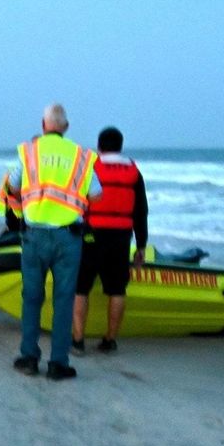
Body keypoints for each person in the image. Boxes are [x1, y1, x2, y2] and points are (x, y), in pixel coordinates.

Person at [8, 103, 101, 381]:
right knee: (63, 300)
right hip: (68, 236)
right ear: (66, 127)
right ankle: (58, 363)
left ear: (43, 124)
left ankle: (28, 357)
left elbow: (13, 184)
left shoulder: (29, 151)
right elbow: (96, 194)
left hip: (34, 235)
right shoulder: (81, 156)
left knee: (32, 297)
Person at [71, 126, 148, 355]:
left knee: (81, 288)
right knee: (116, 290)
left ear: (99, 146)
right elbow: (141, 211)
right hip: (121, 236)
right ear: (121, 146)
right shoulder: (134, 172)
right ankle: (110, 339)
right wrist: (141, 245)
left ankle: (78, 340)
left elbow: (77, 202)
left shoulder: (90, 167)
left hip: (92, 234)